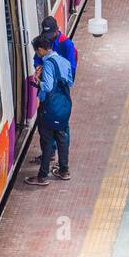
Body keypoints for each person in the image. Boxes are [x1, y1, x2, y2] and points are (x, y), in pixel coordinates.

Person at [24, 34, 73, 185]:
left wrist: (38, 81)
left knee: (46, 142)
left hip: (49, 108)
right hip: (64, 106)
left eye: (37, 51)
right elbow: (70, 82)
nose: (37, 54)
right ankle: (64, 171)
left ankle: (42, 176)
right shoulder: (64, 62)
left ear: (41, 50)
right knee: (62, 138)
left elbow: (48, 86)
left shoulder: (48, 65)